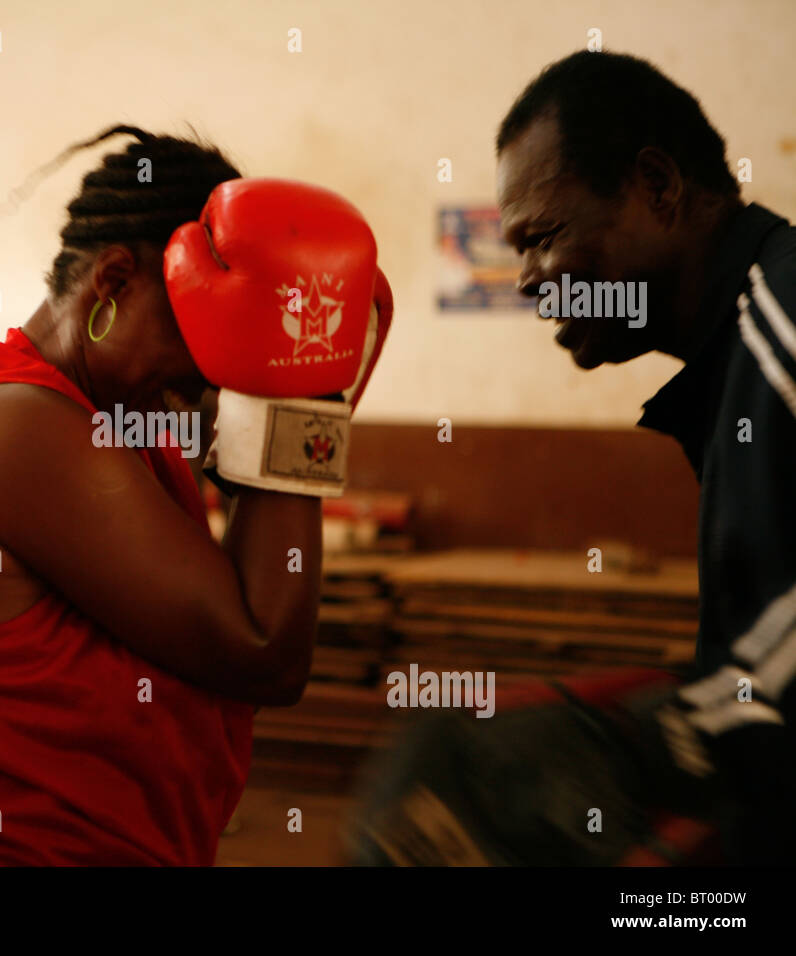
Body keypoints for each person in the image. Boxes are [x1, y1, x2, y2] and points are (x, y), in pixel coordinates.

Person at [0, 126, 393, 865]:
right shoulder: (17, 426)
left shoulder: (127, 429)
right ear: (113, 284)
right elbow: (263, 649)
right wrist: (295, 384)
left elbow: (231, 619)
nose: (214, 376)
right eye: (205, 331)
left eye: (237, 340)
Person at [347, 50, 796, 867]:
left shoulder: (785, 325)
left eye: (543, 237)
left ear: (656, 187)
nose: (526, 280)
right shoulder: (736, 362)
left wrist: (637, 739)